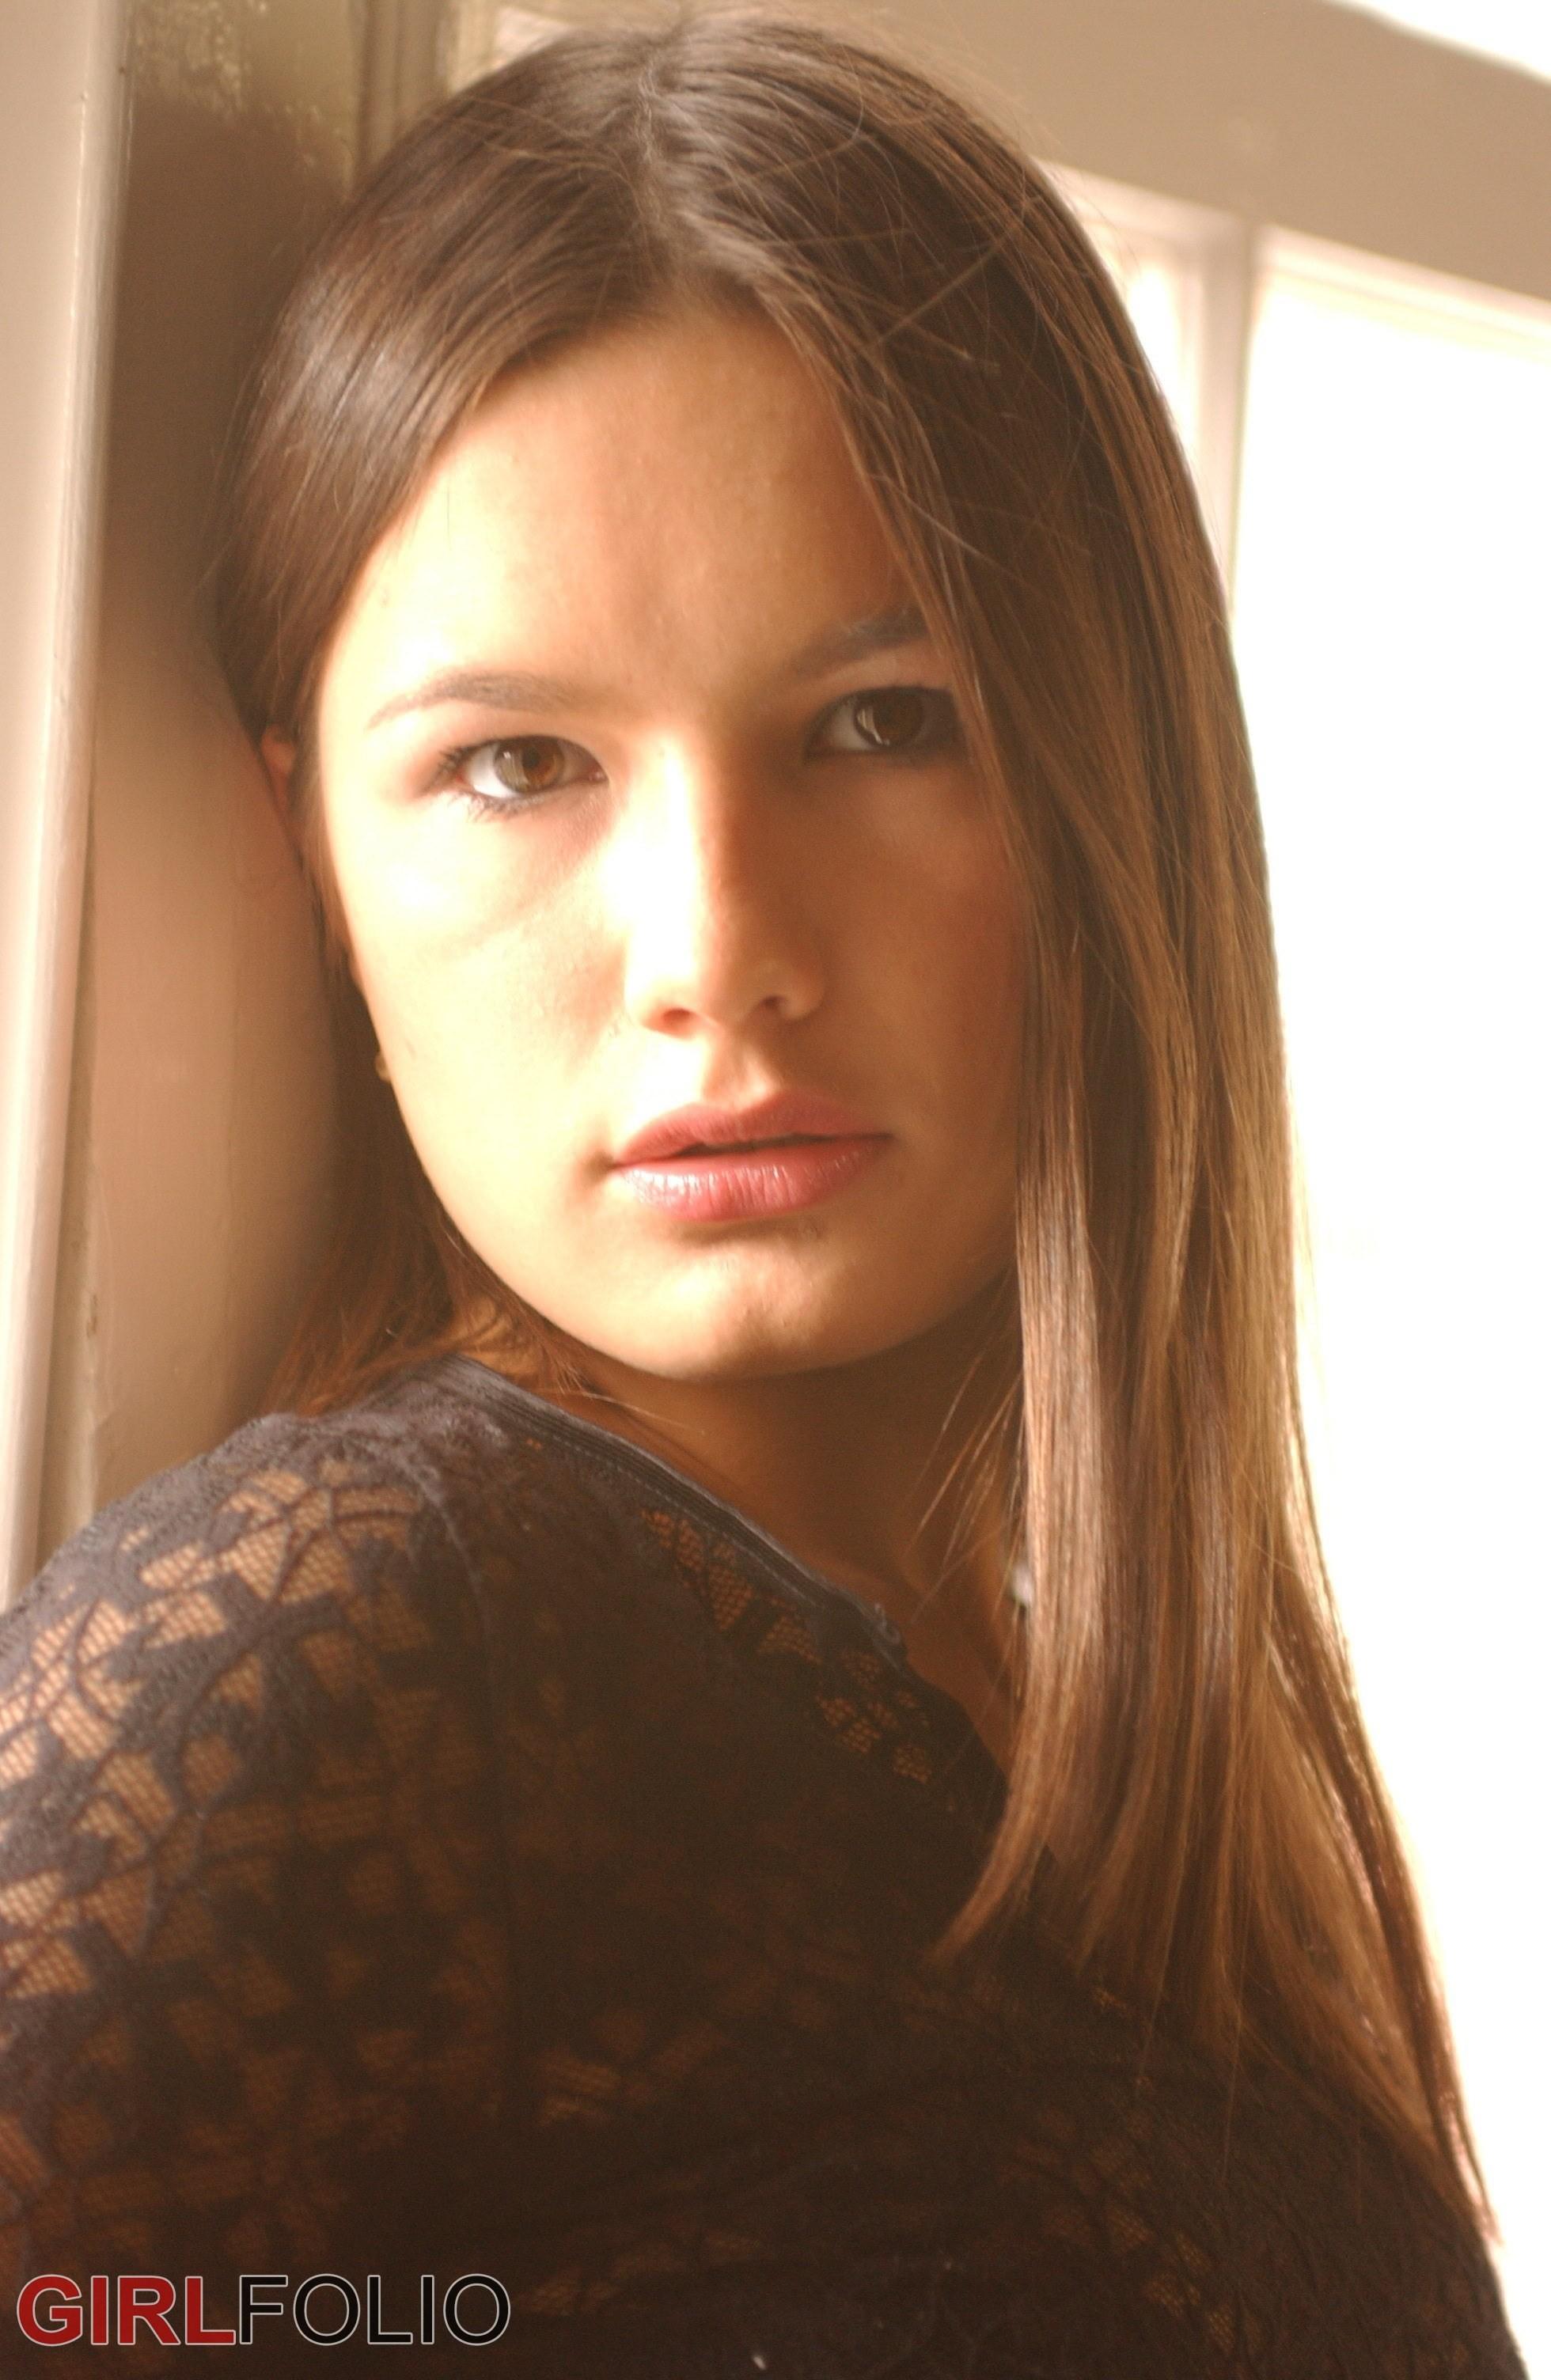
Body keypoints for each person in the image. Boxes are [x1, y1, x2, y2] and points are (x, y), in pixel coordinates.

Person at [0, 7, 1526, 2373]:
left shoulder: (1139, 1763)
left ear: (1115, 789)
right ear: (311, 855)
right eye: (519, 764)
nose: (716, 951)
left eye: (884, 725)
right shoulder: (353, 1646)